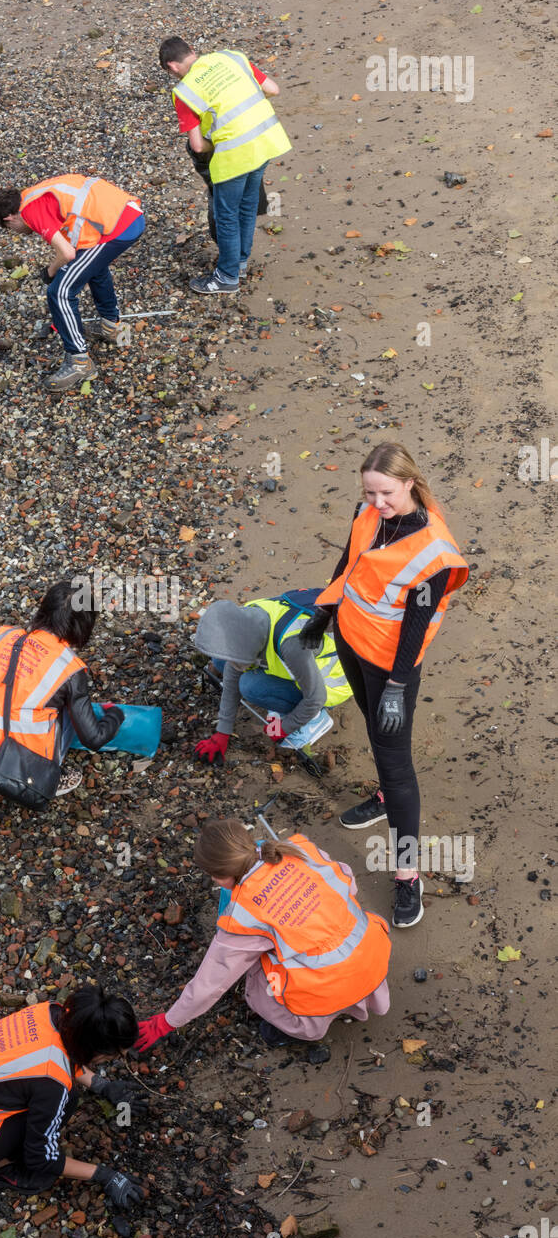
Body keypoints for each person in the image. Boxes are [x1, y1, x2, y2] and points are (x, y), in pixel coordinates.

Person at [301, 443, 469, 929]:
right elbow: (349, 561)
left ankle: (407, 875)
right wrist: (324, 611)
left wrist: (397, 684)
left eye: (387, 493)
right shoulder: (367, 512)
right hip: (353, 641)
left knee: (397, 764)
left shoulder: (433, 553)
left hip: (391, 664)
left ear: (410, 484)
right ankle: (383, 799)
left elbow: (416, 625)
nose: (377, 503)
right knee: (378, 740)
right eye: (369, 492)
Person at [136, 819, 391, 1063]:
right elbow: (349, 886)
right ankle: (358, 996)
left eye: (212, 875)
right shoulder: (302, 851)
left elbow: (211, 982)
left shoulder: (243, 916)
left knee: (257, 972)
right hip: (373, 958)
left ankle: (298, 1025)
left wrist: (167, 1022)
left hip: (326, 991)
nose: (213, 880)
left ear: (221, 875)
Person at [0, 985, 145, 1210]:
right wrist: (104, 1175)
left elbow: (56, 1052)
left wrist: (102, 1086)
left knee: (59, 1094)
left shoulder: (52, 1012)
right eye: (116, 1055)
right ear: (96, 1050)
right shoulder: (52, 1084)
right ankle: (1, 1168)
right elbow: (40, 1157)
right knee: (67, 1099)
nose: (116, 1059)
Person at [0, 579, 124, 810]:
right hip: (20, 773)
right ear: (83, 626)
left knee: (2, 691)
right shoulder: (68, 668)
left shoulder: (5, 636)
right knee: (66, 706)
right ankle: (50, 777)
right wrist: (115, 714)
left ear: (44, 610)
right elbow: (93, 739)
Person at [158, 36, 292, 294]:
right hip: (265, 141)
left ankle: (227, 276)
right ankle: (240, 262)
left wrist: (217, 141)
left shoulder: (184, 92)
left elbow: (198, 146)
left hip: (234, 155)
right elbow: (273, 89)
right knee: (248, 204)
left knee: (226, 215)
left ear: (172, 67)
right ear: (193, 51)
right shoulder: (232, 57)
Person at [0, 175, 145, 392]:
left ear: (9, 218)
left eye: (12, 228)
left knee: (59, 291)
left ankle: (79, 363)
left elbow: (67, 253)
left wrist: (50, 272)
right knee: (94, 268)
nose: (18, 232)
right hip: (128, 214)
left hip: (118, 228)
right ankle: (112, 328)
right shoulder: (32, 194)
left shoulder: (30, 212)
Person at [192, 590, 353, 765]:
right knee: (220, 660)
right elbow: (232, 670)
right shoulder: (247, 616)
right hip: (298, 667)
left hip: (333, 684)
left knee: (250, 687)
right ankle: (281, 698)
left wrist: (285, 728)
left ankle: (316, 721)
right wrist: (222, 731)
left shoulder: (294, 646)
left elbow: (316, 698)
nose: (234, 664)